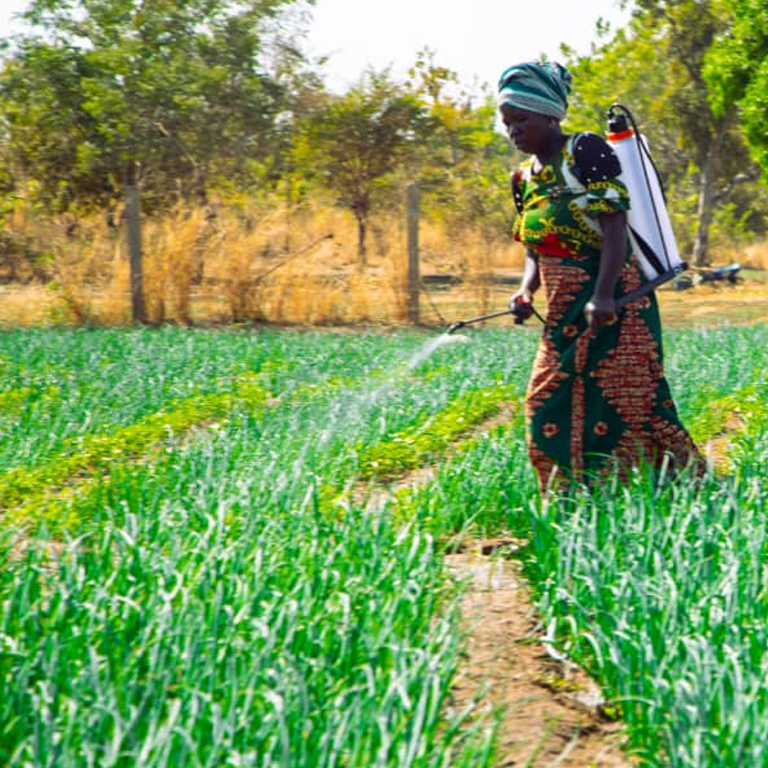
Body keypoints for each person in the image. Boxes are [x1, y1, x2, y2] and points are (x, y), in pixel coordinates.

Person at [498, 60, 704, 494]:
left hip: (617, 303)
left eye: (521, 119)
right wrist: (525, 290)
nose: (513, 130)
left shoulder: (586, 151)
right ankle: (568, 497)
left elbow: (614, 225)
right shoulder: (523, 179)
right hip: (561, 312)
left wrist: (605, 295)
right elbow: (535, 246)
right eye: (507, 123)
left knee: (630, 404)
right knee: (544, 402)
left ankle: (670, 487)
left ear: (550, 115)